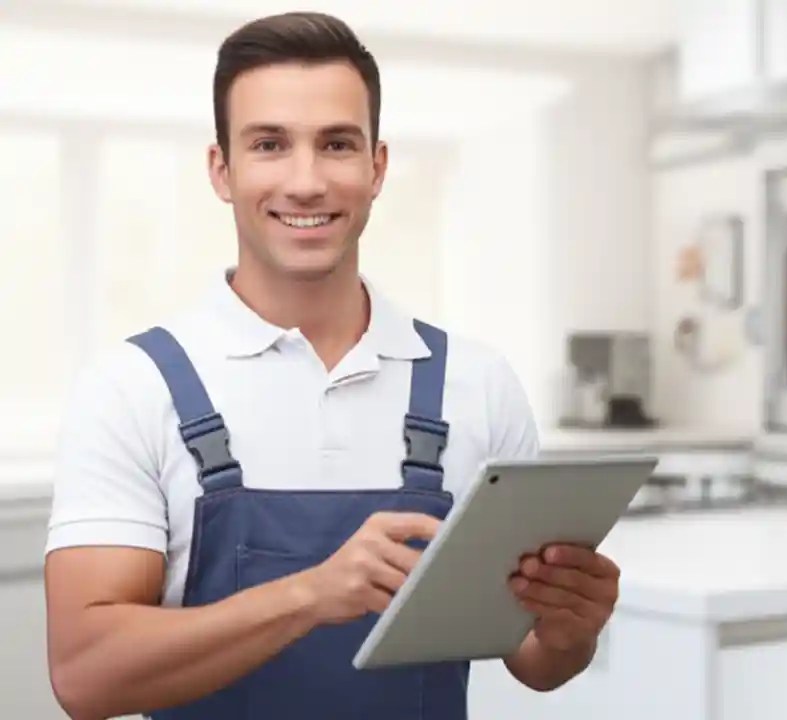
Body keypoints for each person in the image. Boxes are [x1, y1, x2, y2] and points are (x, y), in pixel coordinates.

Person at [43, 12, 619, 720]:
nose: (307, 181)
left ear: (376, 168)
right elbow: (85, 675)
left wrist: (571, 631)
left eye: (337, 144)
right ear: (222, 171)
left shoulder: (478, 386)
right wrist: (309, 594)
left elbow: (535, 660)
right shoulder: (132, 388)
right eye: (270, 145)